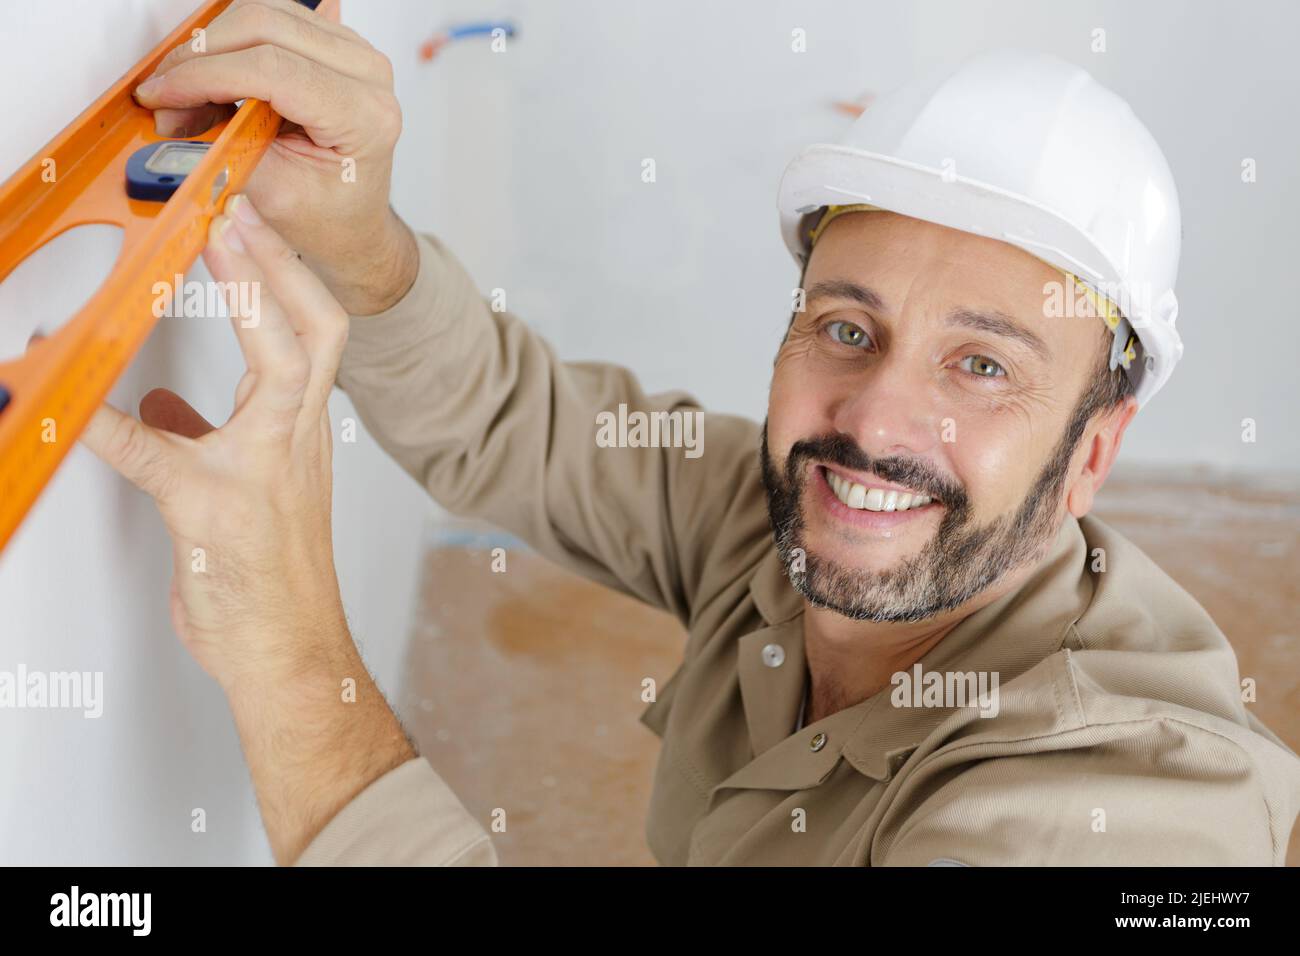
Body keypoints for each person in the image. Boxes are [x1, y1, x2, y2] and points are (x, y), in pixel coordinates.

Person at [84, 0, 1300, 865]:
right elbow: (523, 427)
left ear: (1094, 451)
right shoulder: (778, 523)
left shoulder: (1117, 806)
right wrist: (359, 237)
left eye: (981, 364)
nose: (874, 421)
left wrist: (291, 657)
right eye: (845, 326)